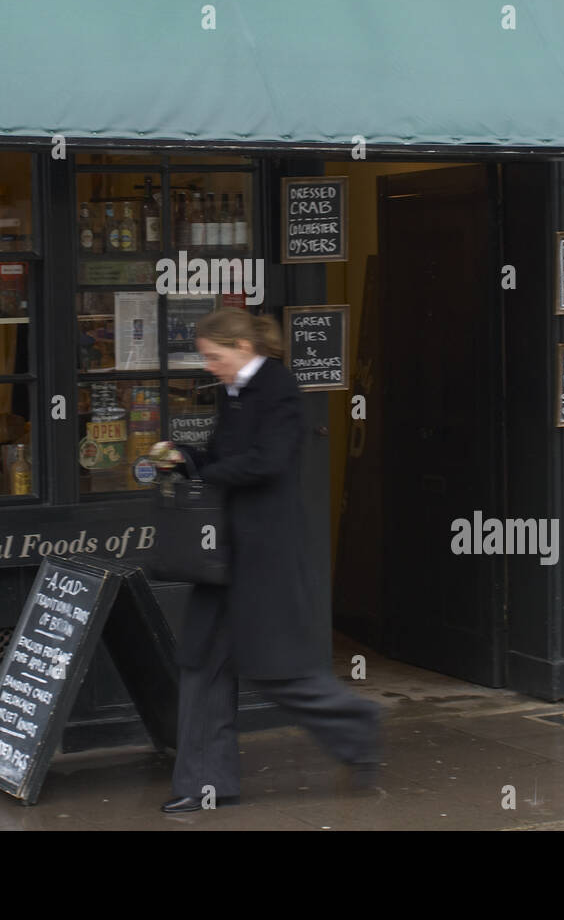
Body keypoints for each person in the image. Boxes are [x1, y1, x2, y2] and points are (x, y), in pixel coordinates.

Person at [151, 307, 382, 814]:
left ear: (242, 348)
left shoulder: (278, 388)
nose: (209, 366)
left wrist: (210, 474)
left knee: (278, 671)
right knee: (201, 665)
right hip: (223, 556)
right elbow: (221, 457)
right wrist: (186, 458)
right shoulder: (234, 393)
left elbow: (269, 461)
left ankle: (357, 729)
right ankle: (204, 784)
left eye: (214, 356)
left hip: (264, 555)